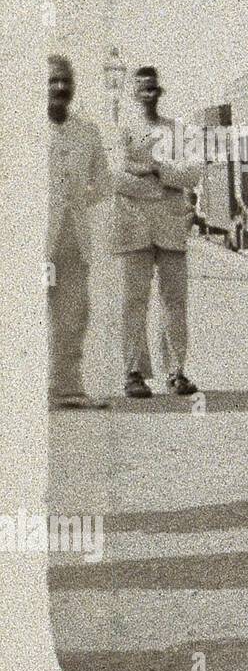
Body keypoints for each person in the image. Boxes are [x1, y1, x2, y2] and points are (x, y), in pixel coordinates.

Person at [109, 66, 202, 398]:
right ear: (133, 93)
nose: (147, 94)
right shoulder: (120, 131)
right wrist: (160, 187)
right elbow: (113, 178)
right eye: (141, 89)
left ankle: (176, 371)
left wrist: (157, 171)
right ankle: (133, 371)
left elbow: (193, 173)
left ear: (159, 92)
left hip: (172, 227)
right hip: (133, 228)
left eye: (152, 88)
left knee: (174, 300)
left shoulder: (177, 131)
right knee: (134, 301)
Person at [46, 54, 110, 410]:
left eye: (65, 81)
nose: (60, 87)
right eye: (52, 80)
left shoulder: (88, 132)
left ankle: (67, 388)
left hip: (73, 236)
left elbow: (103, 182)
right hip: (32, 234)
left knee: (73, 312)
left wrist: (76, 197)